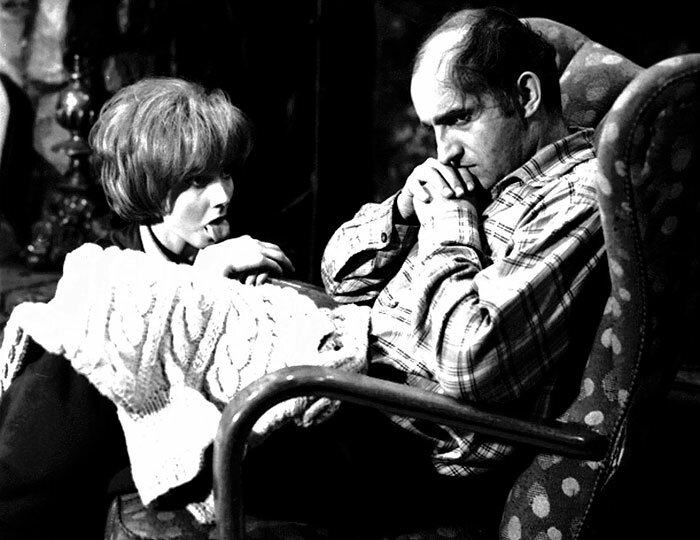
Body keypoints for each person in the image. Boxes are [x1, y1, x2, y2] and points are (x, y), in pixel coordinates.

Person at [0, 76, 296, 539]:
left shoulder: (239, 252)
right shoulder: (107, 269)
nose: (222, 195)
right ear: (150, 188)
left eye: (225, 173)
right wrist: (197, 285)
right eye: (197, 181)